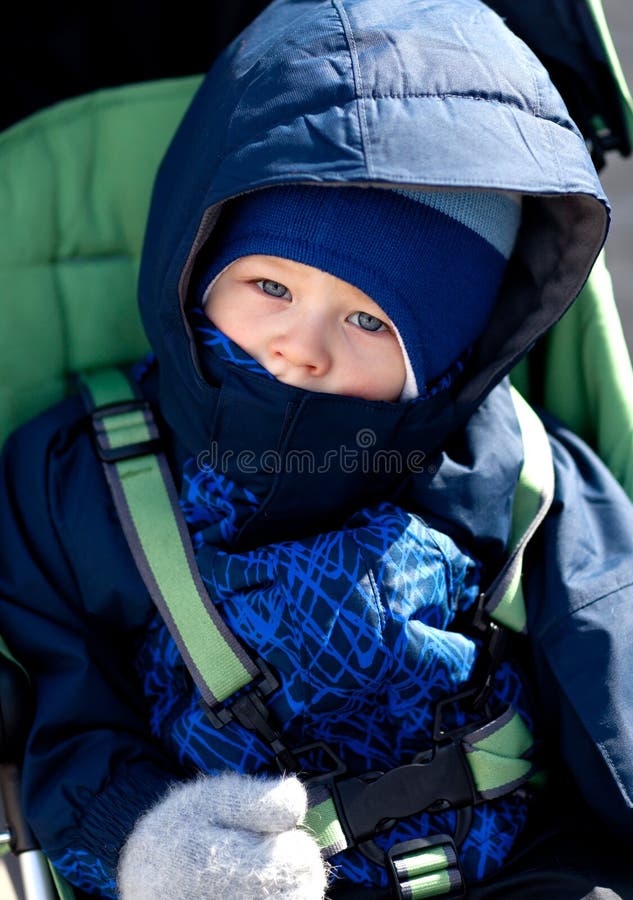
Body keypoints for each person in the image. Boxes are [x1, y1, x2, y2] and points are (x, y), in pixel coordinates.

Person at [1, 1, 632, 898]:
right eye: (269, 284)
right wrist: (147, 849)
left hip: (523, 856)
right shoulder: (77, 478)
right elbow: (63, 727)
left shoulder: (509, 462)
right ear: (196, 262)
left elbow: (612, 650)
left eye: (372, 320)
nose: (302, 345)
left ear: (447, 359)